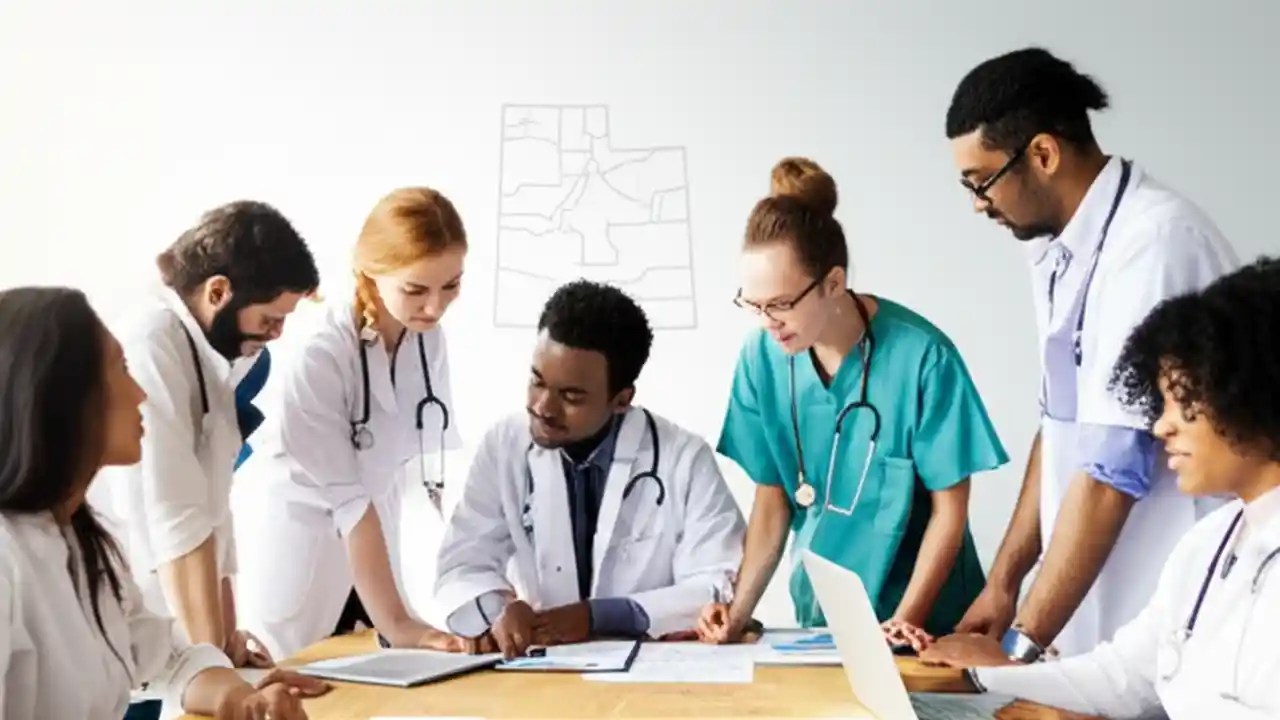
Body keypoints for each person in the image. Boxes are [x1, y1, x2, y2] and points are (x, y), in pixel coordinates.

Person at [940, 46, 1240, 661]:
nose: (976, 204)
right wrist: (1002, 588)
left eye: (981, 181)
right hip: (1087, 628)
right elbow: (1059, 428)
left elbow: (1113, 469)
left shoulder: (1155, 242)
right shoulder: (1058, 250)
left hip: (1160, 619)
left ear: (1043, 154)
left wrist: (1020, 647)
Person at [923, 256, 1280, 718]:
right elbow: (1120, 676)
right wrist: (984, 677)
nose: (1160, 427)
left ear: (1255, 393)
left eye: (1183, 402)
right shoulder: (1211, 542)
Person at [696, 157, 1008, 650]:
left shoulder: (922, 357)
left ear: (833, 284)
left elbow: (951, 512)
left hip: (930, 623)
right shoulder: (762, 359)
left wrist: (904, 624)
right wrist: (738, 613)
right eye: (754, 305)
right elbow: (773, 499)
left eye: (780, 304)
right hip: (827, 619)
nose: (767, 321)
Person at [0, 286, 330, 720]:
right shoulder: (9, 559)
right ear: (64, 398)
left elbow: (170, 659)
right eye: (120, 370)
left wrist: (242, 701)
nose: (140, 394)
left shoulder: (82, 543)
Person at [434, 279, 746, 658]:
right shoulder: (505, 446)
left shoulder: (684, 458)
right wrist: (499, 607)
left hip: (651, 675)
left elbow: (715, 586)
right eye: (537, 381)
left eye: (571, 396)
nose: (544, 407)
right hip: (537, 670)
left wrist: (599, 616)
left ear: (621, 400)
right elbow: (462, 565)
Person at [235, 187, 467, 660]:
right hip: (303, 550)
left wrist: (464, 592)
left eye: (451, 285)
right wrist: (400, 622)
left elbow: (427, 477)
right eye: (416, 289)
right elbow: (349, 501)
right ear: (371, 271)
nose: (436, 306)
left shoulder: (428, 342)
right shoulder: (319, 352)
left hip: (375, 560)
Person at [93, 200, 320, 675]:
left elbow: (212, 514)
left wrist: (228, 645)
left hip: (169, 635)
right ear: (219, 291)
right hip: (122, 623)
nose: (277, 334)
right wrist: (217, 671)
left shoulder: (216, 354)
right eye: (269, 318)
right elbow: (174, 519)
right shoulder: (152, 340)